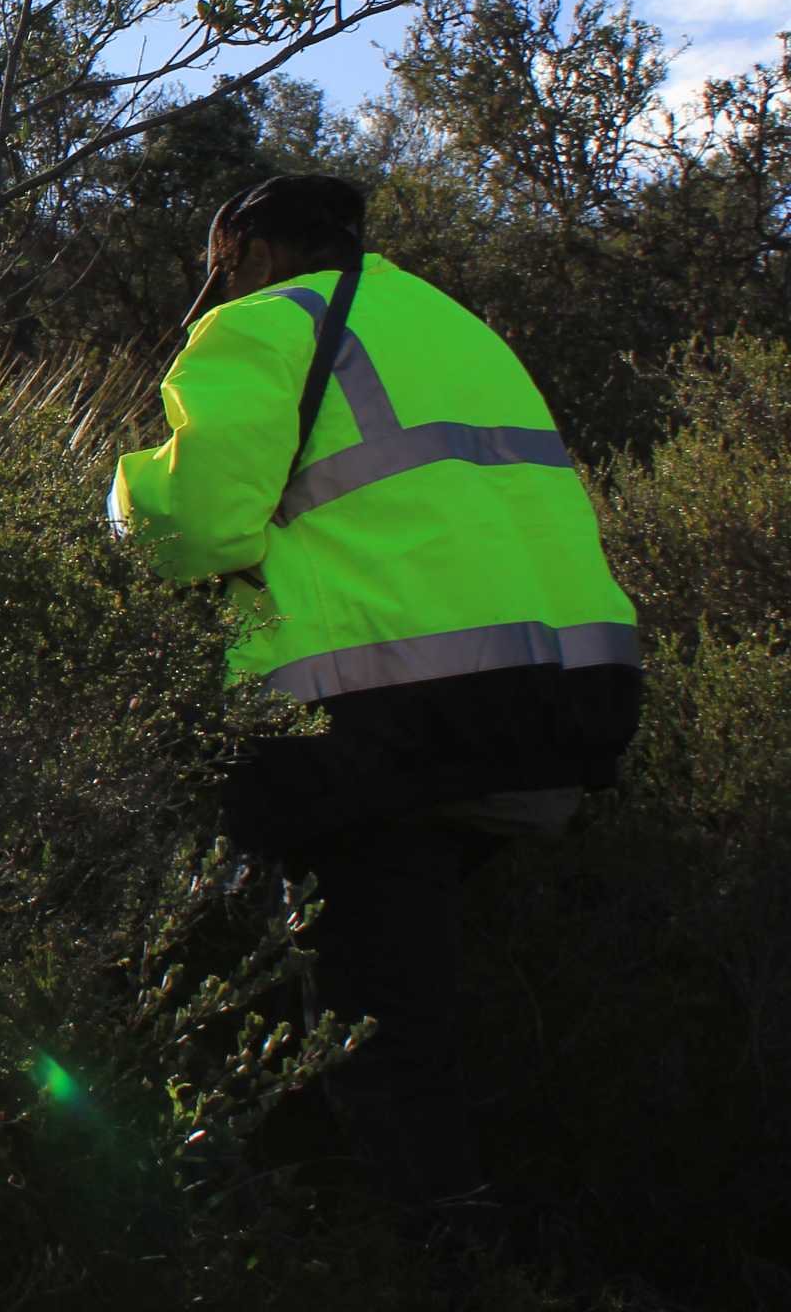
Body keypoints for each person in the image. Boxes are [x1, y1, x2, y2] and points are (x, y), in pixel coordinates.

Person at [108, 172, 641, 1224]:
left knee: (358, 991)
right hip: (572, 695)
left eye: (218, 265)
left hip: (391, 709)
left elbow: (196, 531)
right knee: (403, 959)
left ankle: (426, 1235)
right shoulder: (454, 323)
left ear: (246, 251)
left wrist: (123, 500)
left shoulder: (262, 324)